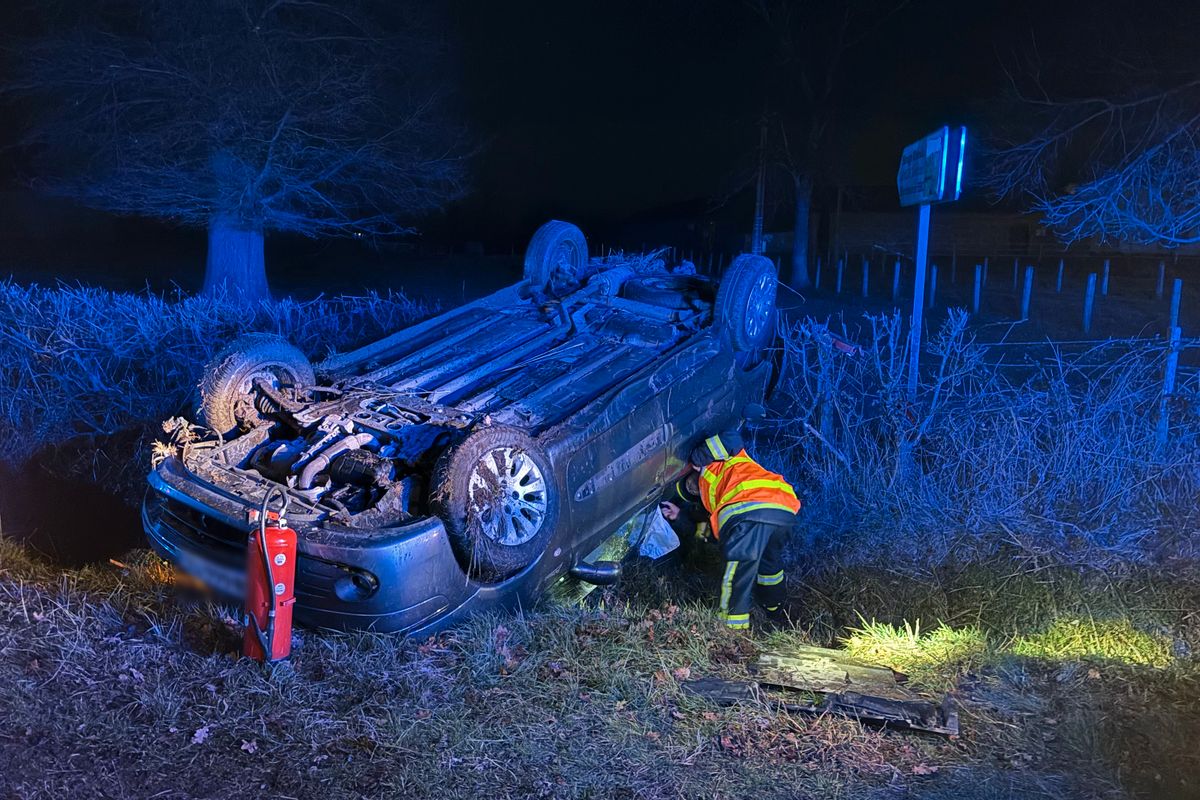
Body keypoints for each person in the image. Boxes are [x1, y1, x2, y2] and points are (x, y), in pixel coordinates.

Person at [660, 430, 800, 630]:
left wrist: (698, 458)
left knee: (735, 575)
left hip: (751, 508)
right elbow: (713, 535)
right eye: (690, 492)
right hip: (783, 508)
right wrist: (680, 517)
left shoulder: (717, 462)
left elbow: (730, 437)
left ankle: (730, 632)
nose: (692, 488)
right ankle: (775, 611)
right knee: (769, 566)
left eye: (689, 485)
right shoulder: (714, 497)